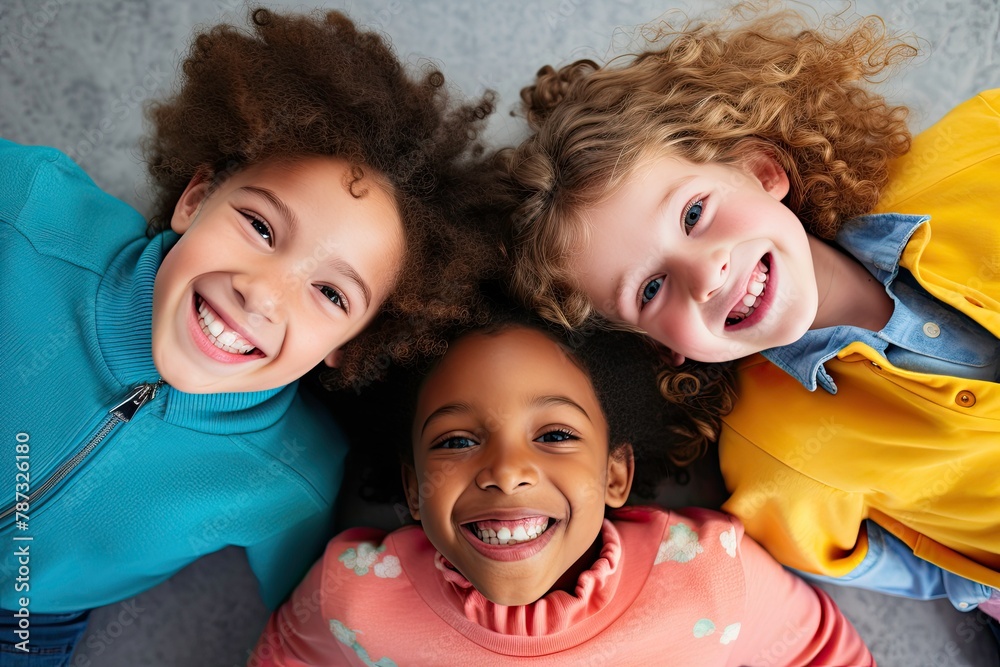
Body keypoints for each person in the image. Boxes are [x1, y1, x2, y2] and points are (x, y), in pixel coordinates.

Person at [0, 7, 498, 665]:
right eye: (261, 227)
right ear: (196, 196)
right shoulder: (31, 209)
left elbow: (323, 624)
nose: (261, 292)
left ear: (348, 345)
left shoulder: (293, 478)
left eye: (330, 293)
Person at [501, 8, 1000, 620]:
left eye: (693, 215)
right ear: (660, 346)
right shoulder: (775, 460)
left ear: (761, 171)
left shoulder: (978, 155)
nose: (705, 274)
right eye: (653, 288)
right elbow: (872, 562)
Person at [250, 304, 873, 666]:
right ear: (413, 490)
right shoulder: (355, 597)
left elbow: (824, 652)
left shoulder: (712, 576)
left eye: (554, 435)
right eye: (457, 441)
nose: (506, 470)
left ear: (616, 474)